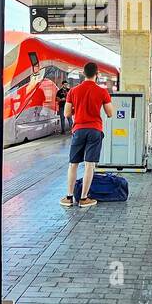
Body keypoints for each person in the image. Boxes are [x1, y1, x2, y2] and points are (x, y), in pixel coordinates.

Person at [60, 62, 113, 209]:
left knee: (73, 164)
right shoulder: (102, 92)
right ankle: (84, 199)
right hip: (95, 130)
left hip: (78, 130)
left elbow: (66, 113)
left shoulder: (73, 91)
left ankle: (69, 197)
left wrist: (78, 110)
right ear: (97, 74)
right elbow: (110, 113)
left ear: (84, 74)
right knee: (90, 165)